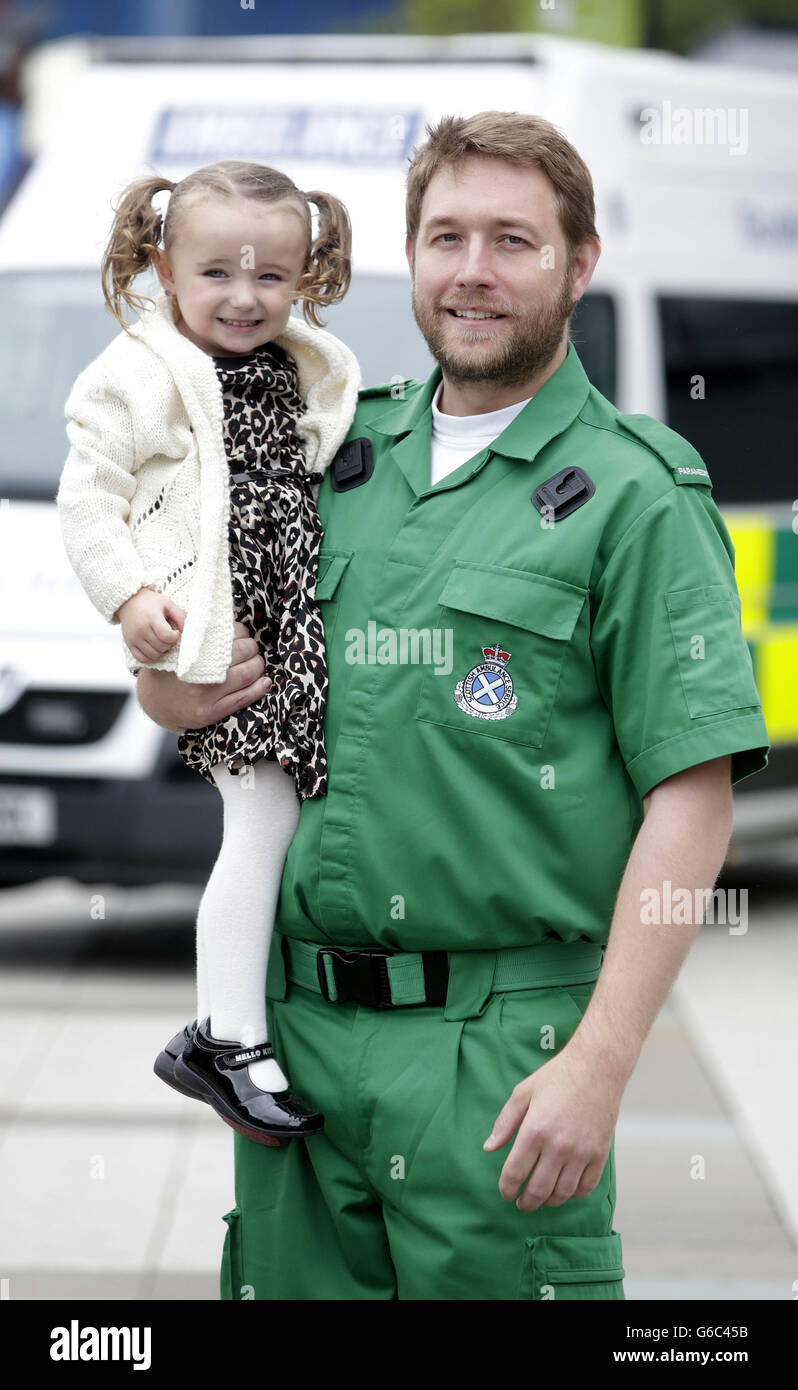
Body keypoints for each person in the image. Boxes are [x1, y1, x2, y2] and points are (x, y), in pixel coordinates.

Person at [137, 113, 770, 1301]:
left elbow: (692, 800)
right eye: (446, 237)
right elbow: (193, 667)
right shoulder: (330, 449)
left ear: (577, 265)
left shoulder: (637, 494)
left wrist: (603, 1062)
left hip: (503, 1058)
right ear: (411, 258)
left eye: (513, 241)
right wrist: (167, 681)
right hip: (298, 1046)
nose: (472, 271)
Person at [57, 160, 360, 1146]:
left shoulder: (298, 361)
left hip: (293, 631)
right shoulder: (133, 374)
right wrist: (133, 598)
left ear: (305, 276)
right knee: (261, 821)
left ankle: (261, 1018)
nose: (245, 297)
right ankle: (225, 1038)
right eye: (218, 274)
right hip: (221, 639)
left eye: (271, 277)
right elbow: (91, 501)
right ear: (161, 266)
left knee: (300, 822)